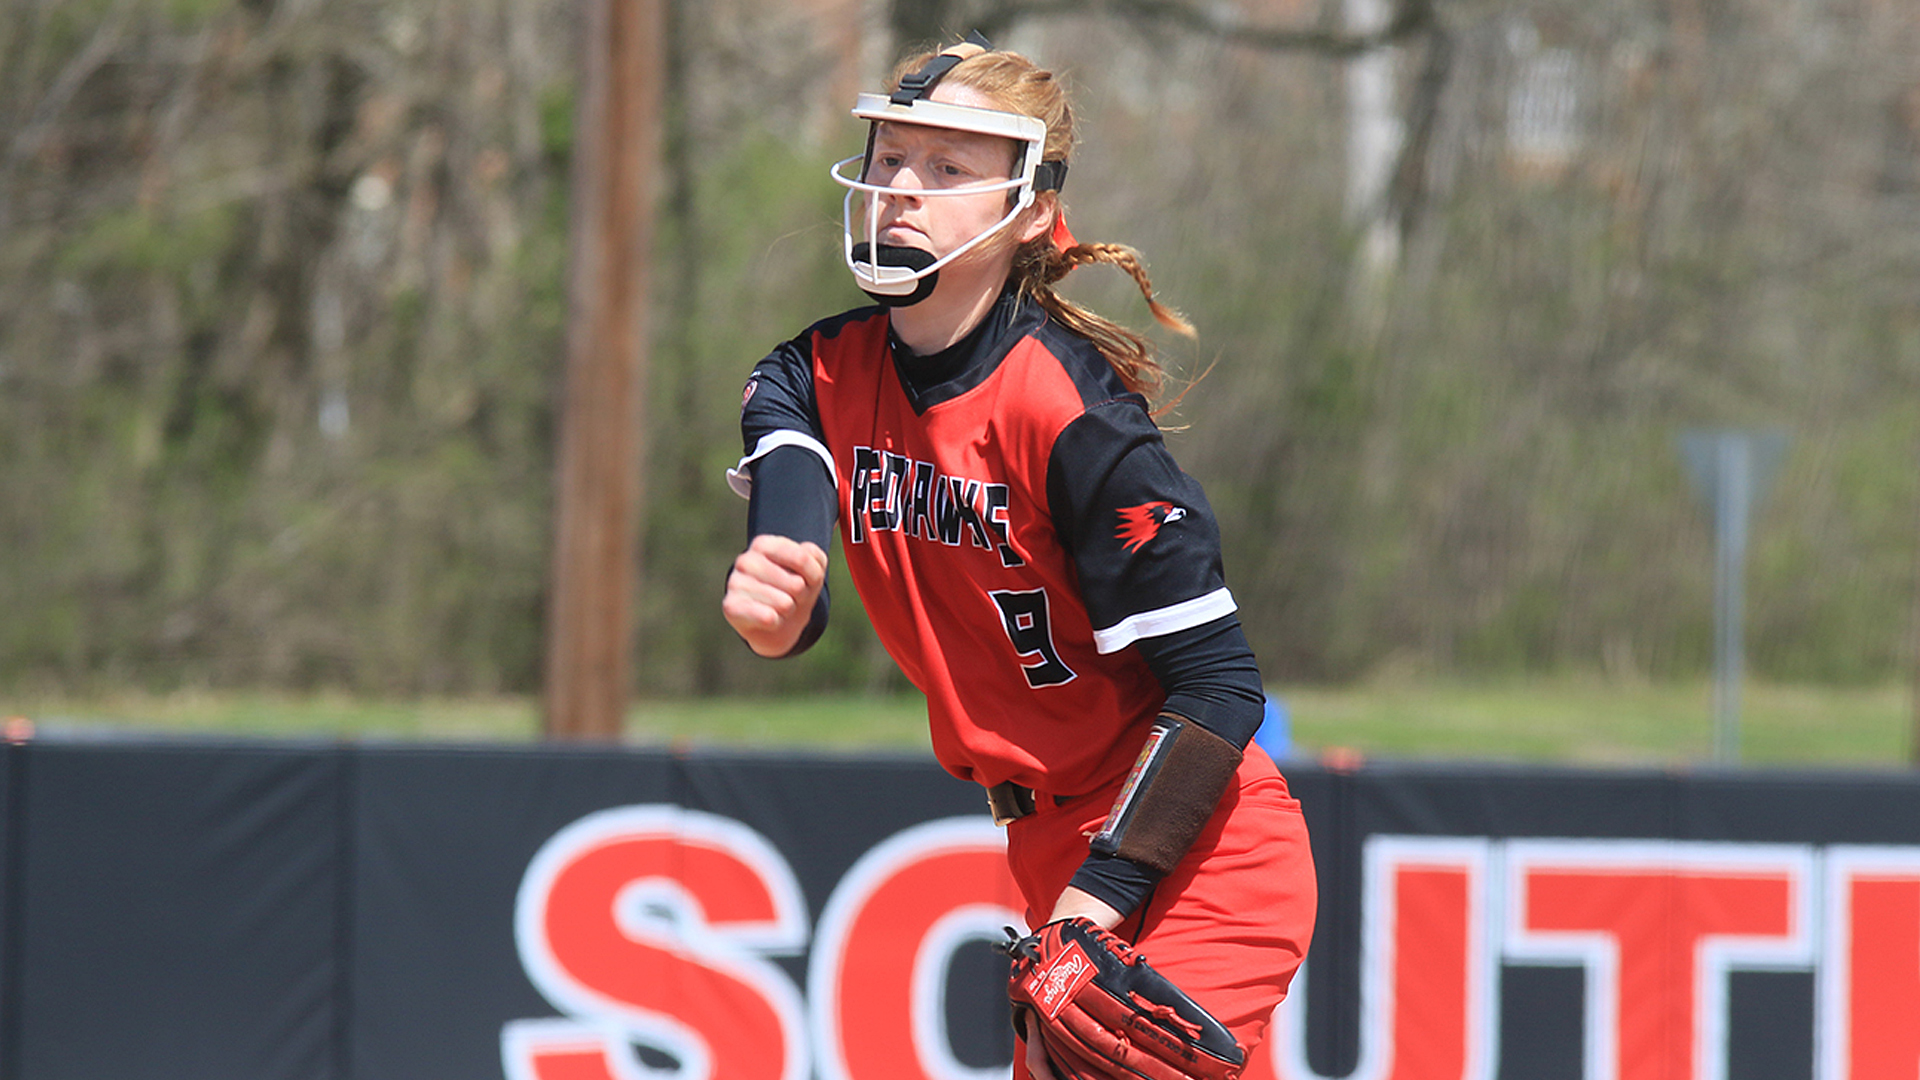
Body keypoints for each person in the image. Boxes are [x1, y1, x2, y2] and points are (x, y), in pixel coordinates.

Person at [721, 34, 1316, 1077]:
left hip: (1192, 843)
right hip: (1051, 849)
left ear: (1032, 210)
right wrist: (785, 605)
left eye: (949, 168)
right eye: (892, 156)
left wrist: (1099, 900)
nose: (904, 187)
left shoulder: (1070, 412)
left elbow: (1221, 687)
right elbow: (793, 526)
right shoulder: (813, 370)